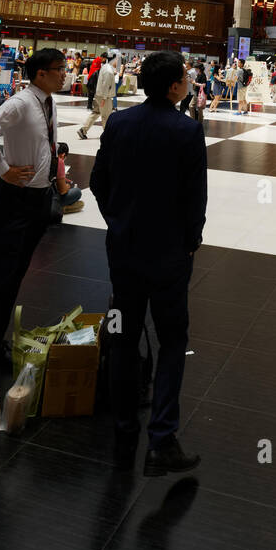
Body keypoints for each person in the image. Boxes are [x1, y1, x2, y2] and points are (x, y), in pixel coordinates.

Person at [90, 51, 206, 476]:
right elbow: (195, 199)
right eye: (186, 77)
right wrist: (190, 242)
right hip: (170, 257)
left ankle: (124, 425)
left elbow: (97, 182)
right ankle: (162, 440)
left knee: (123, 334)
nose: (189, 81)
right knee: (173, 338)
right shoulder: (187, 131)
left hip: (124, 252)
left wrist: (117, 220)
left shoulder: (119, 123)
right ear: (174, 86)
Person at [0, 48, 68, 401]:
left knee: (14, 276)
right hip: (15, 200)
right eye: (58, 70)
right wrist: (3, 169)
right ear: (40, 74)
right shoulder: (21, 102)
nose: (64, 74)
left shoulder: (47, 101)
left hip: (37, 199)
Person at [77, 54, 115, 138]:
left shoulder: (105, 67)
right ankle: (107, 135)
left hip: (99, 94)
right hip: (104, 96)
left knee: (96, 112)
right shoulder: (108, 71)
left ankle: (83, 130)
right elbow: (105, 85)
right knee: (106, 116)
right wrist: (104, 98)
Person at [51, 141, 84, 218]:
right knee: (77, 192)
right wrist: (67, 186)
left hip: (33, 196)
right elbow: (62, 191)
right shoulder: (59, 161)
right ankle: (62, 208)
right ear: (63, 155)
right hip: (49, 198)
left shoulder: (44, 157)